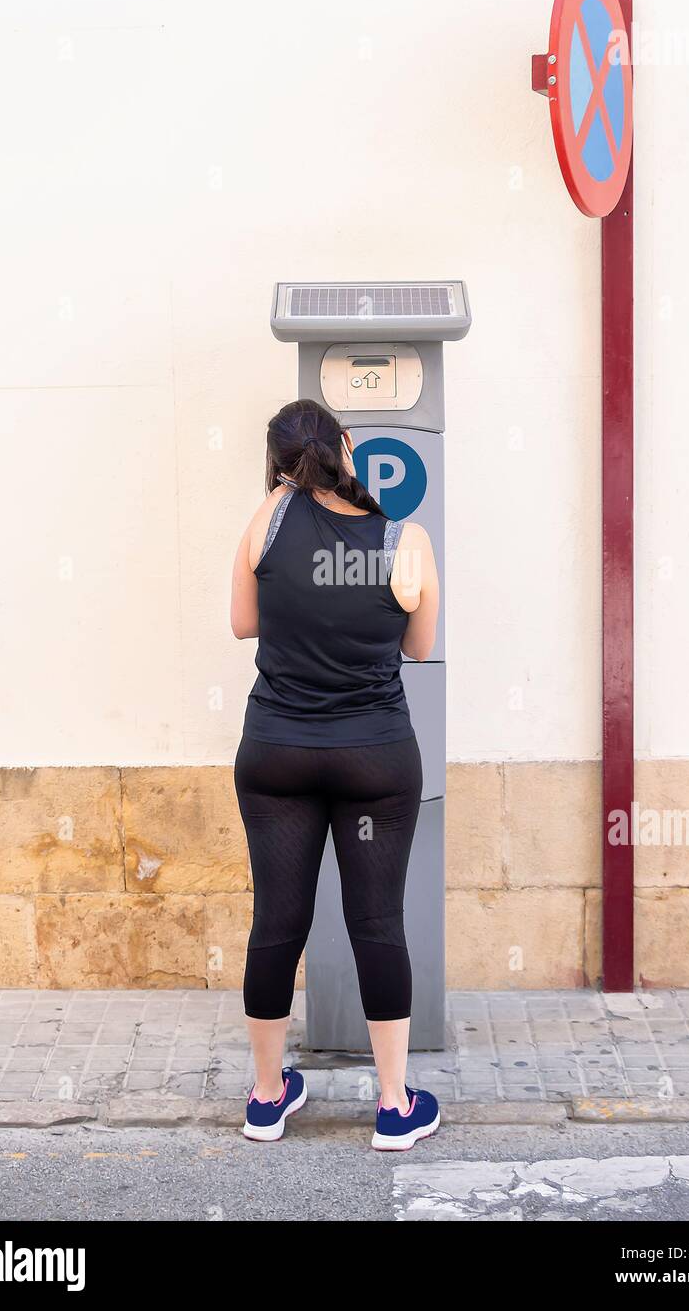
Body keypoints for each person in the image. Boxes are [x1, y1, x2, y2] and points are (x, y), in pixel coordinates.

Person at [230, 399, 440, 1150]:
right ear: (348, 447)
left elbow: (244, 622)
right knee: (377, 922)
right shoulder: (402, 540)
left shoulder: (265, 522)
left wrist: (283, 493)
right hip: (375, 757)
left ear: (279, 465)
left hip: (276, 752)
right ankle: (392, 1105)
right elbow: (419, 646)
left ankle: (265, 1098)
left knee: (276, 923)